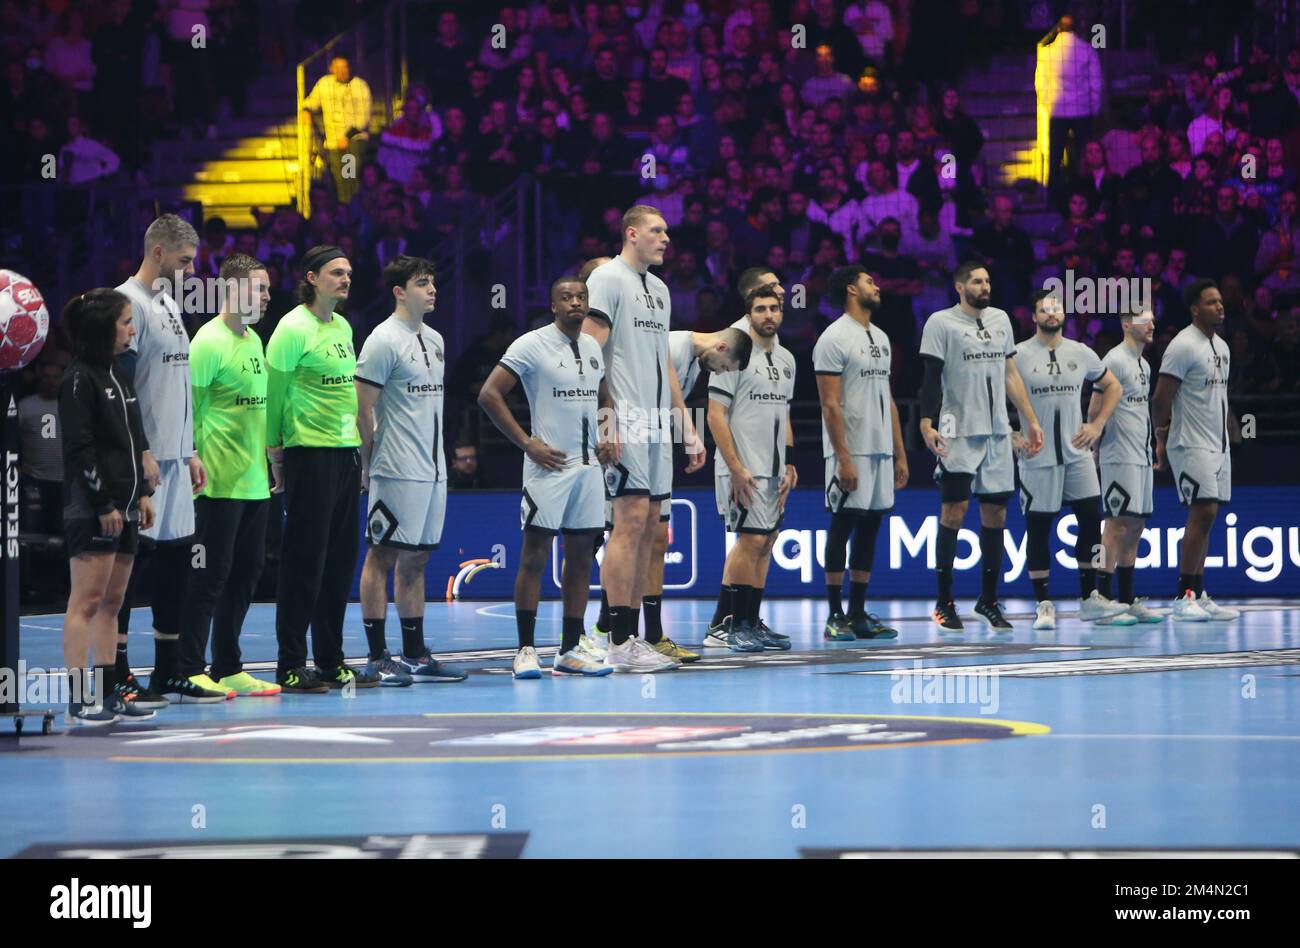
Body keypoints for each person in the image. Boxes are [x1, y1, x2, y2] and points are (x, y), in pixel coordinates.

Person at [582, 205, 705, 672]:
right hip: (625, 421)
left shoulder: (659, 289)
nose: (666, 238)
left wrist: (686, 428)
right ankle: (616, 641)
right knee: (627, 526)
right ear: (631, 234)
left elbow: (666, 366)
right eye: (657, 231)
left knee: (649, 529)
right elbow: (590, 353)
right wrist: (605, 419)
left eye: (668, 231)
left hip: (656, 426)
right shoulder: (608, 279)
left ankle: (631, 637)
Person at [479, 277, 615, 678]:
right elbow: (489, 394)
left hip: (589, 469)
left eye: (581, 297)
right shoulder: (531, 344)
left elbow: (604, 397)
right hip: (548, 467)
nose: (575, 303)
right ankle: (525, 649)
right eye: (566, 298)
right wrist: (527, 443)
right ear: (553, 305)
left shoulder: (592, 346)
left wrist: (608, 435)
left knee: (580, 559)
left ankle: (570, 648)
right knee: (535, 557)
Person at [168, 255, 282, 701]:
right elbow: (184, 408)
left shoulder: (254, 340)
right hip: (214, 484)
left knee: (246, 573)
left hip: (254, 483)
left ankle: (229, 666)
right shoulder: (207, 343)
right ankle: (191, 668)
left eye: (269, 288)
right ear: (231, 291)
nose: (268, 296)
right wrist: (190, 455)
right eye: (259, 288)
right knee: (209, 576)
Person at [266, 245, 379, 692]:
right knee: (302, 563)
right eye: (336, 272)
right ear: (311, 278)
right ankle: (291, 663)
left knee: (338, 563)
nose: (345, 279)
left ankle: (331, 661)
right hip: (307, 455)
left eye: (349, 272)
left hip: (344, 455)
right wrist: (275, 453)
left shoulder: (344, 326)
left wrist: (360, 458)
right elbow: (274, 396)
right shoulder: (291, 328)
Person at [355, 256, 466, 685]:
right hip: (395, 469)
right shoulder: (382, 340)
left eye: (433, 282)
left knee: (417, 559)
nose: (432, 289)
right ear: (399, 292)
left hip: (433, 470)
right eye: (422, 283)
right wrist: (369, 465)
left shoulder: (436, 339)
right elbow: (362, 409)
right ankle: (376, 656)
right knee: (381, 555)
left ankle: (415, 654)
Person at [919, 262, 1044, 632]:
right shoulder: (940, 323)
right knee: (953, 512)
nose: (984, 285)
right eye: (976, 280)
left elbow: (1010, 374)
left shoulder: (1002, 320)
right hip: (957, 430)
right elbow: (930, 379)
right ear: (959, 286)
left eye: (988, 279)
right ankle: (944, 602)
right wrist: (926, 422)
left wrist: (1029, 420)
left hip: (997, 432)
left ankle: (988, 601)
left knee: (997, 516)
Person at [117, 214, 204, 710]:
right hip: (145, 461)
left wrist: (188, 448)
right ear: (157, 253)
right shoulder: (128, 302)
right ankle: (120, 672)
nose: (191, 271)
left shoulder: (169, 303)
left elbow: (177, 386)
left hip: (175, 458)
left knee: (175, 562)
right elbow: (124, 387)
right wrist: (143, 449)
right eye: (185, 261)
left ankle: (168, 673)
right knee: (133, 566)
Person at [59, 288, 157, 725]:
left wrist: (143, 496)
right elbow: (80, 450)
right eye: (124, 322)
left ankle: (105, 691)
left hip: (127, 505)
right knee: (87, 599)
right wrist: (102, 503)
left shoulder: (119, 372)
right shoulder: (79, 379)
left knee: (114, 601)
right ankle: (81, 697)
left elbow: (134, 438)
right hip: (94, 508)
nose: (131, 329)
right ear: (103, 328)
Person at [1012, 291, 1130, 631]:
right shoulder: (1017, 355)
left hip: (1077, 454)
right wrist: (1010, 435)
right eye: (1044, 309)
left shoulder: (1081, 352)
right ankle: (1043, 604)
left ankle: (1088, 598)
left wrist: (1097, 424)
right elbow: (989, 394)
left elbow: (1113, 387)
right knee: (1038, 529)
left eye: (1056, 308)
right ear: (1033, 317)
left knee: (1092, 521)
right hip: (1037, 456)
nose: (1052, 314)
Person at [811, 266, 907, 642]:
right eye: (870, 281)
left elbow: (889, 400)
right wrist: (844, 457)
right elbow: (829, 406)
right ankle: (834, 614)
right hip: (850, 450)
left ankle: (857, 611)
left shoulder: (881, 338)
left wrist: (899, 453)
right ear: (852, 289)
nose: (877, 284)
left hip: (881, 449)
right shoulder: (833, 338)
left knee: (871, 526)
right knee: (843, 524)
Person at [703, 286, 794, 652]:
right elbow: (715, 414)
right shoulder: (731, 350)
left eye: (774, 308)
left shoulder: (787, 359)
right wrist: (736, 467)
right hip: (741, 468)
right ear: (749, 313)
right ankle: (734, 624)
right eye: (760, 309)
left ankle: (751, 621)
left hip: (773, 469)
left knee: (767, 541)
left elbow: (783, 414)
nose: (768, 315)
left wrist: (788, 462)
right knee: (751, 540)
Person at [1151, 280, 1241, 622]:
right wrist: (1161, 436)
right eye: (1211, 302)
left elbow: (1221, 397)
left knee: (1209, 516)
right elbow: (1160, 398)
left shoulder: (1223, 346)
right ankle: (1183, 595)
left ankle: (1198, 592)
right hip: (1189, 443)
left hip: (1217, 445)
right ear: (1195, 309)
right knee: (1201, 513)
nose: (1220, 306)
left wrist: (1231, 430)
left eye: (1220, 301)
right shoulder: (1182, 345)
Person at [1089, 307, 1165, 624]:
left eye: (1152, 320)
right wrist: (1094, 450)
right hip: (1117, 454)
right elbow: (1094, 409)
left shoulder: (1145, 365)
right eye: (1144, 320)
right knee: (1116, 524)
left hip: (1140, 455)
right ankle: (1102, 600)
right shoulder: (1113, 360)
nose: (1152, 325)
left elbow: (1142, 414)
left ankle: (1126, 599)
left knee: (1136, 526)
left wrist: (1153, 447)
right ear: (1125, 325)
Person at [301, 54, 372, 204]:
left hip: (352, 142)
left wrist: (347, 136)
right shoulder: (324, 84)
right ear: (331, 69)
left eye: (344, 67)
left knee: (349, 177)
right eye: (337, 68)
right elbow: (311, 102)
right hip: (332, 143)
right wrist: (306, 110)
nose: (341, 71)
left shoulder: (360, 86)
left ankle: (352, 207)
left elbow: (363, 119)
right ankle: (342, 208)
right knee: (336, 181)